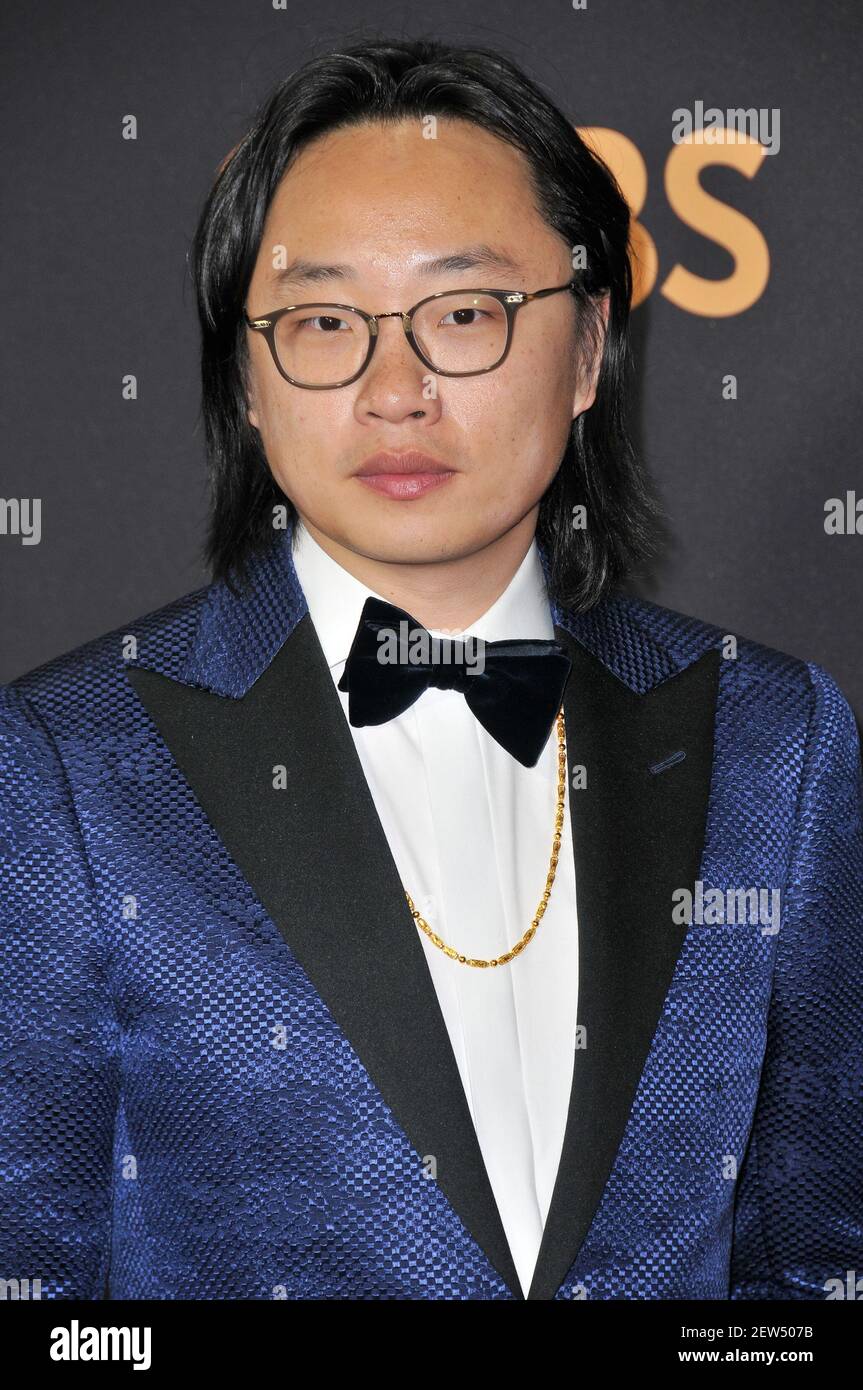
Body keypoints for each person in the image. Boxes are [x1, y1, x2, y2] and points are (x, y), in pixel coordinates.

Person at [1, 36, 861, 1302]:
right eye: (321, 321)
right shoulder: (61, 766)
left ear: (582, 354)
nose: (392, 389)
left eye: (463, 313)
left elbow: (820, 1267)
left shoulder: (773, 741)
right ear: (247, 375)